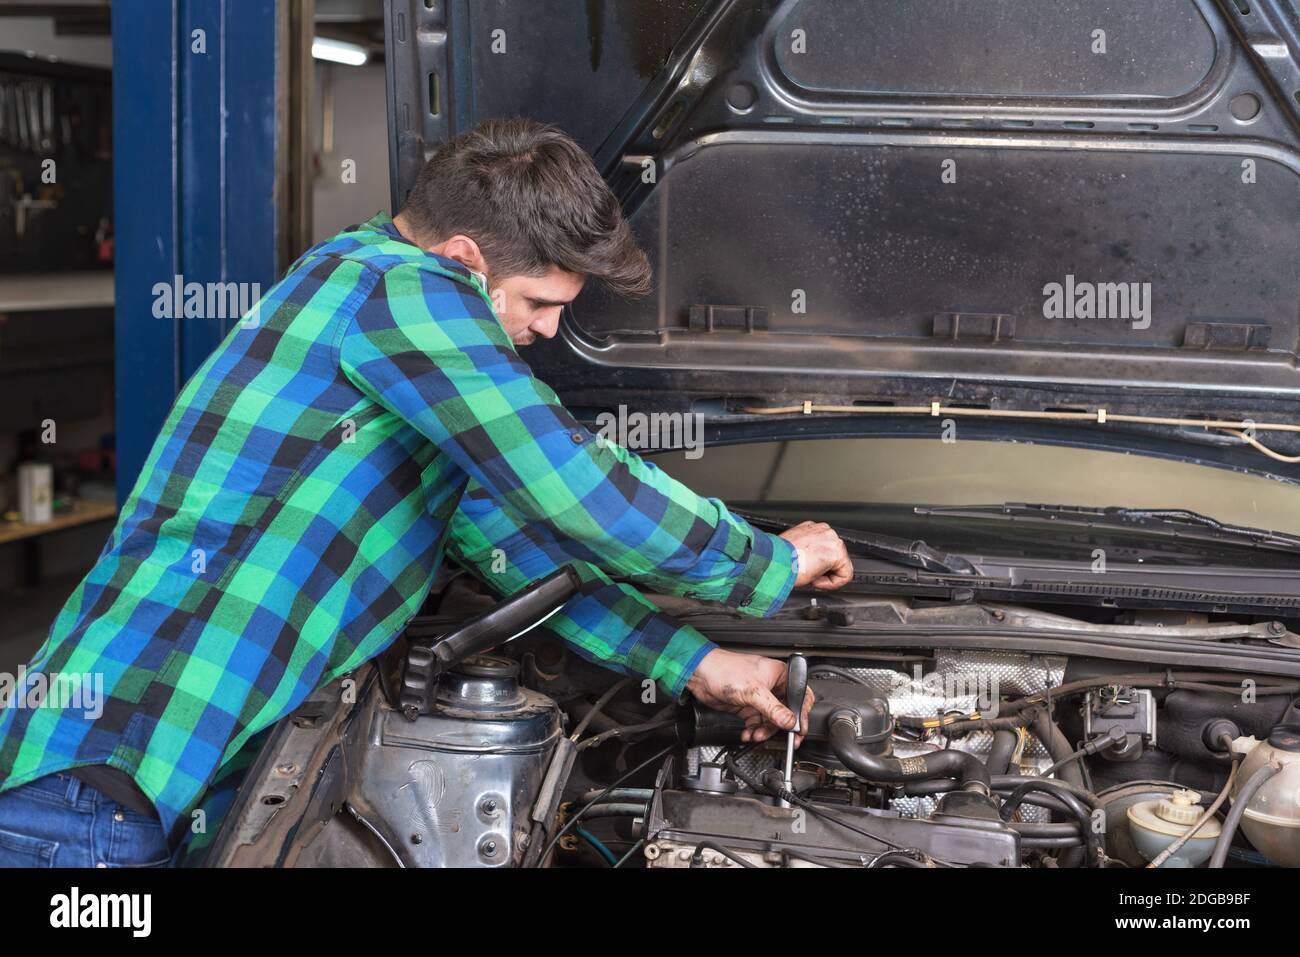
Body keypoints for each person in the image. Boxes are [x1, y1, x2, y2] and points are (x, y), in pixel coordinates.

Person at [0, 118, 851, 867]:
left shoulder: (400, 357)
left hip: (149, 789)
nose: (549, 330)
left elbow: (524, 556)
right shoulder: (397, 288)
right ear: (463, 262)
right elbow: (575, 483)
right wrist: (767, 562)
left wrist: (697, 664)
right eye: (539, 301)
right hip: (92, 791)